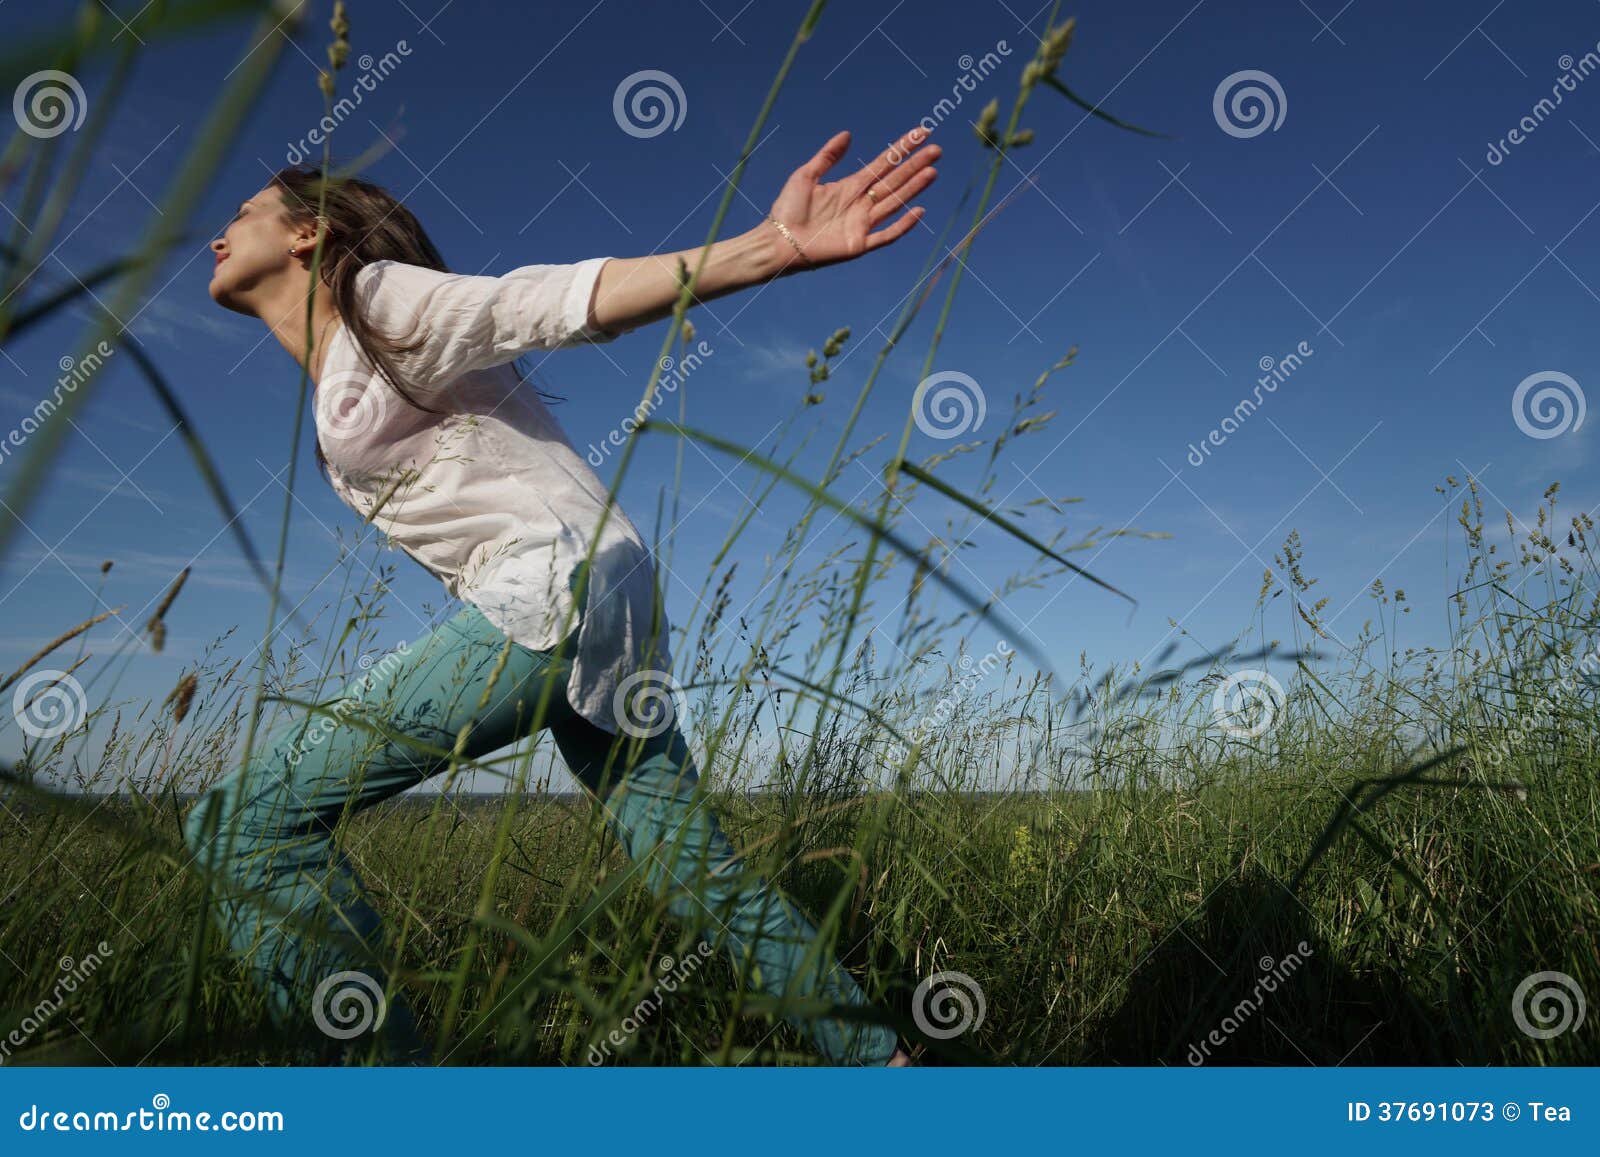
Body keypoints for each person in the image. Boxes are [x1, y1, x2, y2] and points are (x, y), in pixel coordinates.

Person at [181, 125, 941, 1066]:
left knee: (242, 823)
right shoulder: (345, 362)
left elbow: (531, 300)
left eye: (243, 214)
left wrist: (768, 250)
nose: (219, 235)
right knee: (695, 871)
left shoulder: (375, 300)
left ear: (309, 235)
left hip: (549, 597)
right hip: (602, 600)